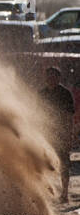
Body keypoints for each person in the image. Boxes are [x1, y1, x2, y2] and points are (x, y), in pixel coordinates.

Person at [39, 66, 76, 204]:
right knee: (43, 163)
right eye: (48, 76)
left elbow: (69, 116)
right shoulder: (42, 93)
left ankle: (65, 193)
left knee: (64, 164)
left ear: (59, 78)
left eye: (53, 76)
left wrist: (70, 134)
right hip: (46, 133)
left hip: (61, 133)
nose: (50, 79)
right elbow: (37, 113)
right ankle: (45, 192)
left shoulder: (65, 94)